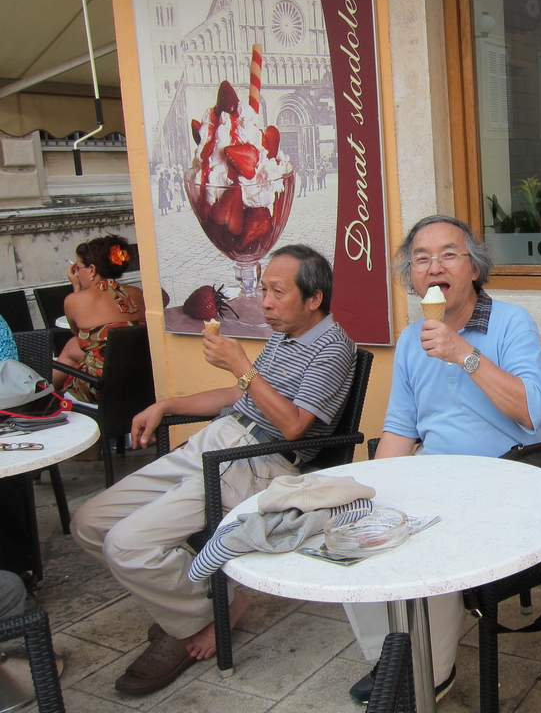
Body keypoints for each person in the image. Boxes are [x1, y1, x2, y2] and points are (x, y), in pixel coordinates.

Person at [70, 244, 356, 695]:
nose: (264, 301)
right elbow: (238, 398)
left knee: (127, 545)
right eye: (264, 289)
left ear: (314, 298)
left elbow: (294, 426)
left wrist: (242, 366)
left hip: (258, 462)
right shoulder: (284, 335)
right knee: (88, 523)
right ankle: (201, 598)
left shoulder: (333, 347)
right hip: (220, 440)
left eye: (277, 292)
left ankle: (203, 616)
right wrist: (166, 404)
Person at [345, 215, 541, 705]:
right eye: (421, 258)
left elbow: (531, 409)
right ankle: (388, 658)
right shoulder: (411, 340)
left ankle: (432, 674)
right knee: (355, 532)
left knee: (430, 545)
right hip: (435, 475)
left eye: (448, 254)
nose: (434, 266)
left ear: (473, 268)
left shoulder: (512, 322)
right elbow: (399, 429)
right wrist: (372, 495)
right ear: (412, 278)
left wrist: (463, 352)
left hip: (510, 476)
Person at [52, 235, 146, 403]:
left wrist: (76, 287)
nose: (77, 273)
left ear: (92, 270)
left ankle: (48, 393)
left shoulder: (74, 301)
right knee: (75, 348)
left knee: (71, 345)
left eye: (78, 268)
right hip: (139, 381)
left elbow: (79, 336)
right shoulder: (138, 294)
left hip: (102, 387)